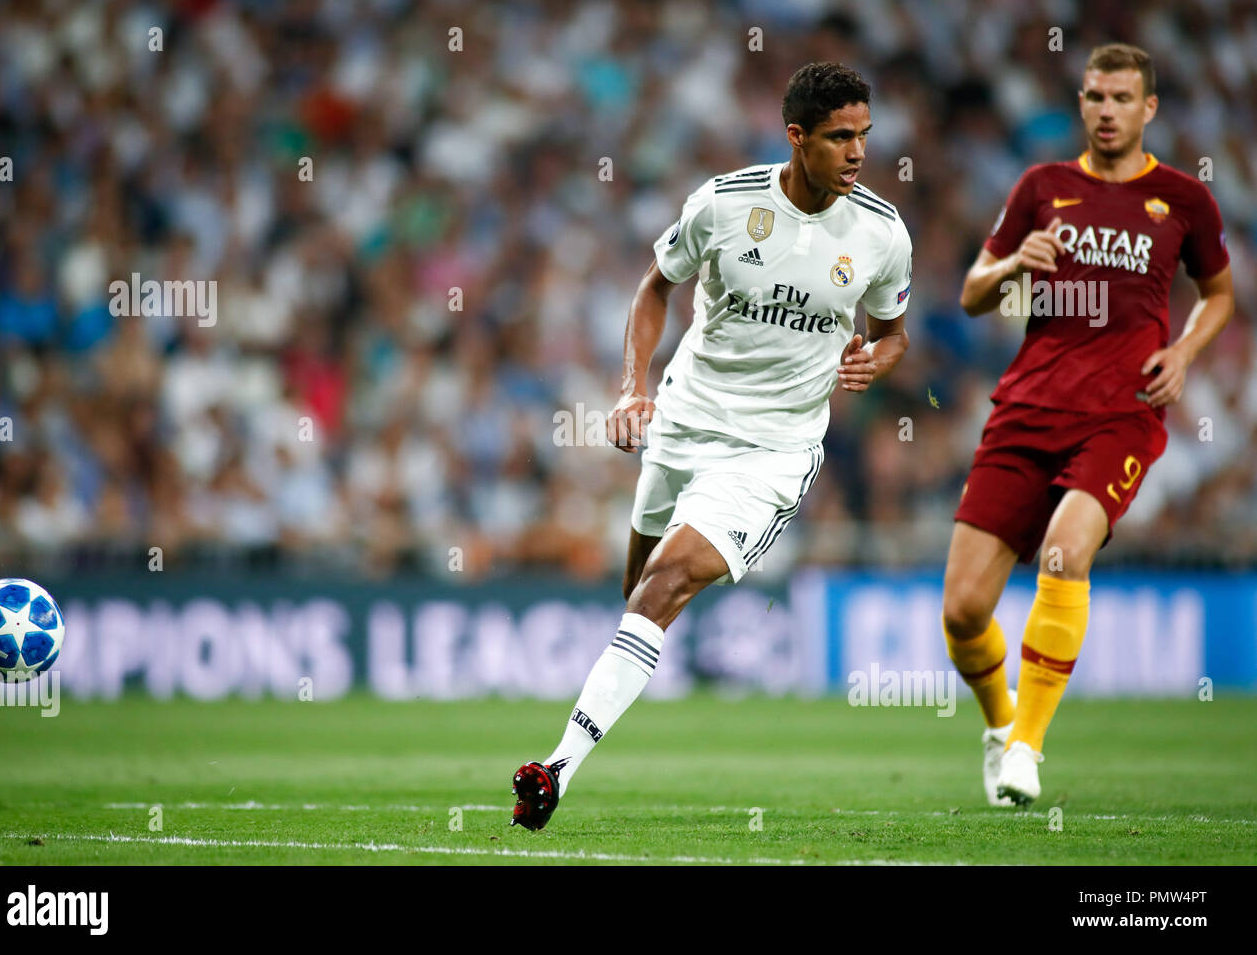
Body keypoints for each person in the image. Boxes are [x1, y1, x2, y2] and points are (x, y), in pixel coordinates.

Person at [510, 62, 913, 831]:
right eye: (839, 138)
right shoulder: (725, 206)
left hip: (772, 448)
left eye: (864, 135)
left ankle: (555, 768)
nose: (858, 152)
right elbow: (653, 287)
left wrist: (875, 359)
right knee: (637, 590)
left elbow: (894, 336)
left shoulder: (882, 234)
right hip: (685, 420)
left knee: (660, 583)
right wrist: (634, 389)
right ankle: (614, 696)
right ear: (796, 138)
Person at [944, 43, 1234, 807]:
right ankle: (1002, 725)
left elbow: (1221, 293)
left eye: (1121, 98)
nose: (1106, 110)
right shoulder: (1042, 187)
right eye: (1094, 96)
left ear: (1149, 109)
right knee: (963, 610)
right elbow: (973, 292)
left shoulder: (1183, 199)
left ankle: (1029, 749)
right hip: (1027, 410)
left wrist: (1185, 351)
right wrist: (1011, 268)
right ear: (1082, 103)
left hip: (1121, 415)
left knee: (1065, 557)